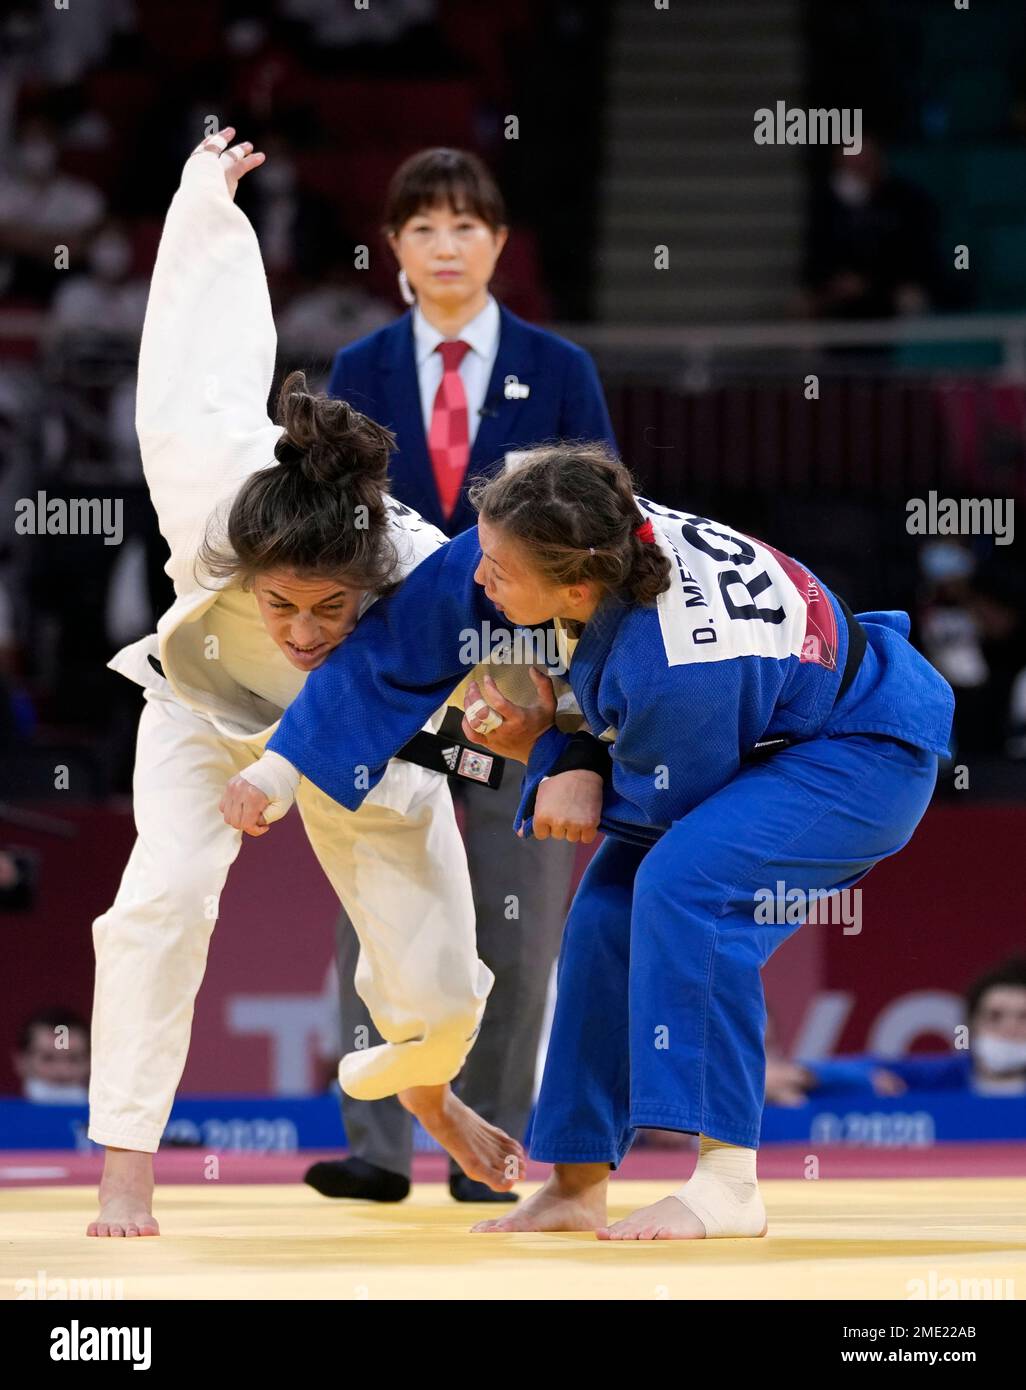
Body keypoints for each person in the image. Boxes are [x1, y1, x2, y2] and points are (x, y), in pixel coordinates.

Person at [223, 442, 955, 1240]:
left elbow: (664, 807)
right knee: (606, 916)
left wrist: (547, 752)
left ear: (574, 587)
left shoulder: (678, 663)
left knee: (684, 886)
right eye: (486, 553)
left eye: (499, 574)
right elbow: (405, 640)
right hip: (762, 738)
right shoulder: (539, 534)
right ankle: (575, 1182)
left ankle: (728, 1181)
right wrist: (277, 773)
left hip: (858, 753)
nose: (481, 578)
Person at [87, 125, 526, 1238]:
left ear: (368, 582)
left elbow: (521, 629)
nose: (299, 629)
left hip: (358, 738)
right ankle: (125, 1172)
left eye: (329, 611)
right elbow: (196, 347)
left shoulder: (422, 565)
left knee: (438, 996)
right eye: (279, 603)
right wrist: (203, 201)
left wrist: (515, 706)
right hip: (201, 714)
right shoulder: (209, 487)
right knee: (161, 900)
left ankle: (425, 1087)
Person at [307, 146, 616, 1205]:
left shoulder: (559, 367)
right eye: (423, 228)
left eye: (466, 226)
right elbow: (326, 528)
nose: (446, 246)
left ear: (500, 242)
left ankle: (491, 1150)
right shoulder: (358, 371)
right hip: (396, 665)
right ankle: (378, 1145)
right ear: (393, 248)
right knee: (376, 903)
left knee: (517, 909)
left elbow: (601, 523)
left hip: (523, 669)